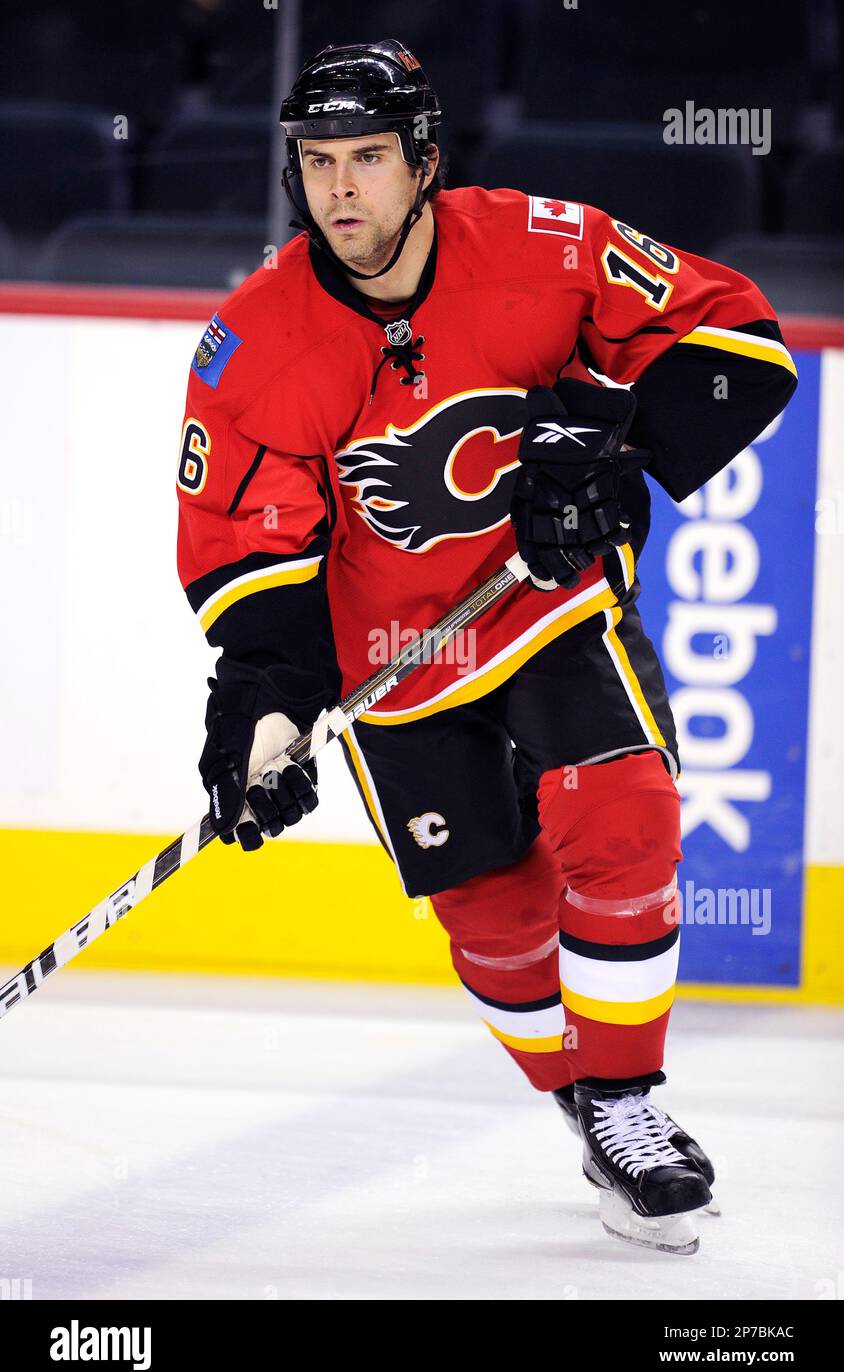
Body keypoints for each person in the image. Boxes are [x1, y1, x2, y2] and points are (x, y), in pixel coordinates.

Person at [176, 39, 797, 1253]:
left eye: (366, 158)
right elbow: (246, 548)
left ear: (424, 162)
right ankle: (580, 1099)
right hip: (389, 657)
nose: (340, 188)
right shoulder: (256, 343)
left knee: (620, 815)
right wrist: (262, 710)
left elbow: (737, 345)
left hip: (541, 607)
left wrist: (607, 448)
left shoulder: (543, 245)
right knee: (492, 913)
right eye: (317, 163)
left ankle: (628, 1100)